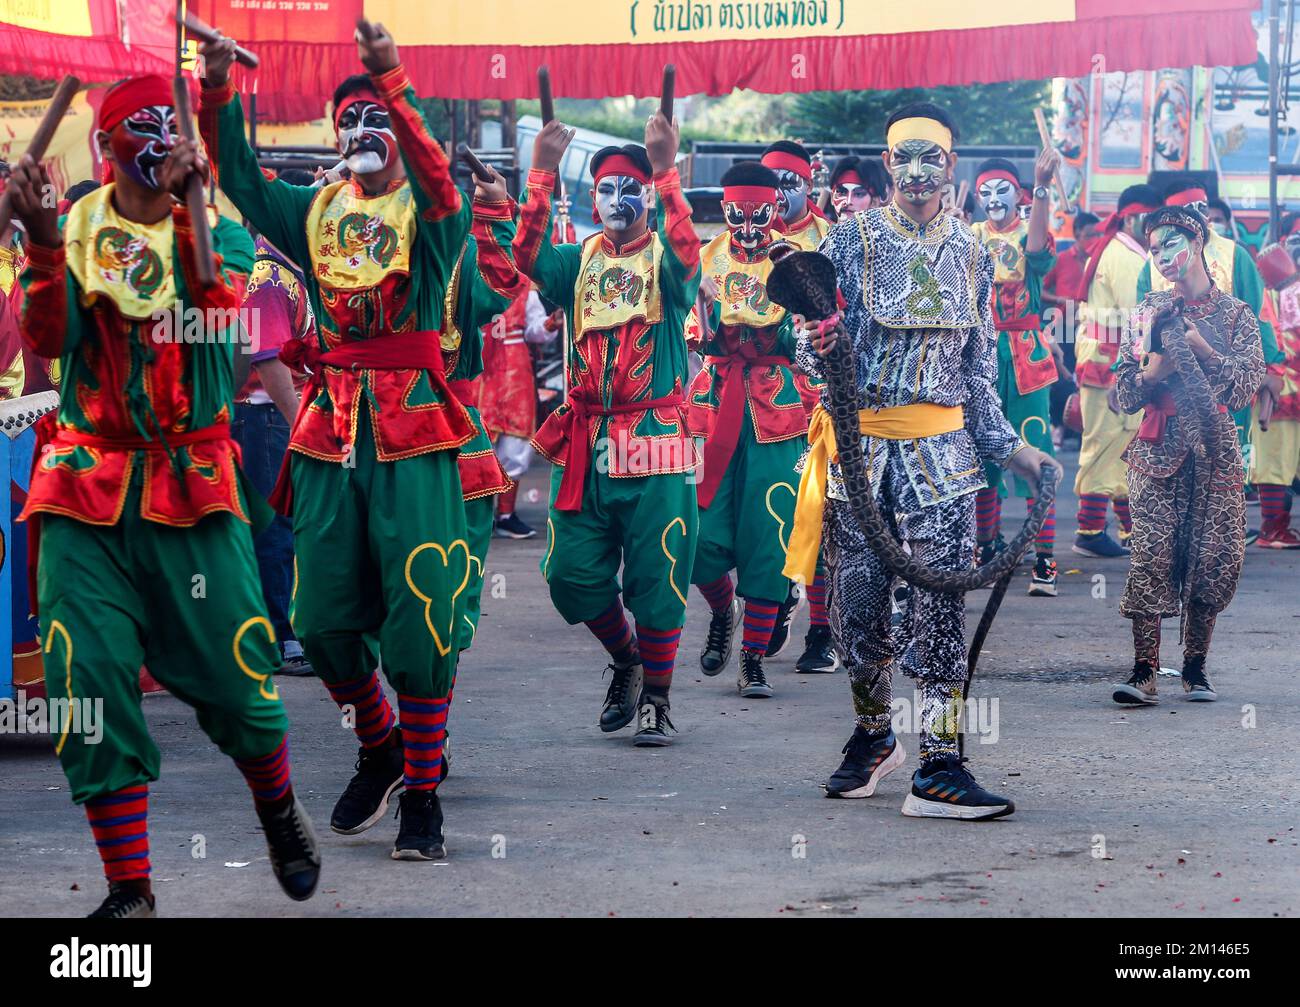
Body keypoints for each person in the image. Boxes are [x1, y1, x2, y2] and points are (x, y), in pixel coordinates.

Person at [6, 74, 320, 917]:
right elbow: (48, 338)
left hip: (192, 487)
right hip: (84, 489)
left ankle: (277, 804)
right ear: (110, 145)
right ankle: (130, 887)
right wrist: (39, 242)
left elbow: (217, 315)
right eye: (140, 130)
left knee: (237, 677)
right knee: (87, 674)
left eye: (170, 128)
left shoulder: (223, 235)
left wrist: (191, 211)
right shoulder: (74, 227)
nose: (160, 142)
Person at [201, 22, 476, 860]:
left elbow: (434, 173)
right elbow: (240, 177)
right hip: (329, 432)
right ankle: (379, 743)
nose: (365, 135)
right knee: (318, 622)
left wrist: (392, 79)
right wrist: (217, 89)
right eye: (351, 122)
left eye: (377, 123)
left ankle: (423, 794)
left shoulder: (432, 215)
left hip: (412, 430)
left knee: (421, 618)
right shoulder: (316, 209)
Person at [788, 101, 1059, 819]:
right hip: (859, 451)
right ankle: (875, 733)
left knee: (939, 613)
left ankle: (941, 762)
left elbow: (979, 366)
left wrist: (1014, 448)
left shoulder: (974, 250)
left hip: (943, 458)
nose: (916, 170)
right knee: (858, 607)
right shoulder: (846, 240)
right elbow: (802, 344)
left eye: (930, 157)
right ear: (886, 164)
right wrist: (817, 350)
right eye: (903, 156)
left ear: (951, 167)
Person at [487, 112, 701, 746]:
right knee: (570, 577)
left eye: (629, 186)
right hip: (587, 446)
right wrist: (541, 175)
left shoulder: (666, 258)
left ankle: (657, 698)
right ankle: (628, 657)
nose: (618, 199)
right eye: (606, 188)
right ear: (592, 197)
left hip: (656, 443)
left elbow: (690, 261)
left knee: (658, 579)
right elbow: (523, 254)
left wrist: (666, 170)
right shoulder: (575, 261)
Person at [1112, 205, 1263, 704]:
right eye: (1153, 249)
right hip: (1156, 450)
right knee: (1150, 555)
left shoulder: (1237, 315)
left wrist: (1204, 349)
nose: (1161, 257)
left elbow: (1243, 389)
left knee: (1212, 558)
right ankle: (1144, 670)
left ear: (1197, 242)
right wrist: (1150, 375)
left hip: (1215, 452)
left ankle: (1195, 667)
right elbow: (1124, 394)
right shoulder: (1147, 312)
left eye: (1170, 245)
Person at [688, 161, 807, 697]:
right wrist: (710, 312)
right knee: (697, 536)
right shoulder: (706, 257)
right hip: (715, 406)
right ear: (725, 209)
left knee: (771, 536)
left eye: (759, 212)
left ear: (774, 208)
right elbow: (696, 336)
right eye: (736, 213)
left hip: (777, 412)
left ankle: (754, 657)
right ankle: (720, 614)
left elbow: (808, 337)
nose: (748, 224)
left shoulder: (796, 261)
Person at [971, 153, 1061, 596]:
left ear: (1019, 195)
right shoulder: (967, 237)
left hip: (1026, 358)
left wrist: (1042, 188)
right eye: (985, 191)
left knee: (1034, 455)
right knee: (982, 458)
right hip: (980, 359)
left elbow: (1040, 257)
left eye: (1002, 189)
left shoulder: (1030, 231)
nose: (993, 198)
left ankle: (1044, 557)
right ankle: (986, 549)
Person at [234, 216, 314, 676]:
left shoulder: (291, 274)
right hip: (267, 417)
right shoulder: (269, 278)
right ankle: (280, 638)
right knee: (274, 529)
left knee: (285, 526)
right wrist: (298, 421)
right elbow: (267, 358)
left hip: (275, 416)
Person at [1073, 183, 1160, 557]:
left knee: (1124, 443)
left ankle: (1129, 530)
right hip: (1110, 361)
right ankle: (1089, 531)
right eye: (1151, 218)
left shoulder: (1126, 250)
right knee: (1105, 444)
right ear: (1131, 218)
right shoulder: (1126, 256)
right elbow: (1139, 313)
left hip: (1111, 357)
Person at [478, 286, 562, 540]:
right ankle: (476, 516)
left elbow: (534, 331)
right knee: (475, 442)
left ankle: (505, 515)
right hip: (478, 366)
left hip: (515, 375)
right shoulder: (471, 273)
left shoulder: (525, 288)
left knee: (515, 445)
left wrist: (550, 324)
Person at [761, 140, 830, 251]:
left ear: (809, 186)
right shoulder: (746, 238)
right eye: (769, 185)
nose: (777, 195)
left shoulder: (830, 237)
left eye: (787, 184)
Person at [824, 155, 889, 221]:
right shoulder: (820, 230)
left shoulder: (889, 231)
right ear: (832, 197)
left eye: (858, 194)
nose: (848, 201)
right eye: (842, 192)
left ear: (875, 202)